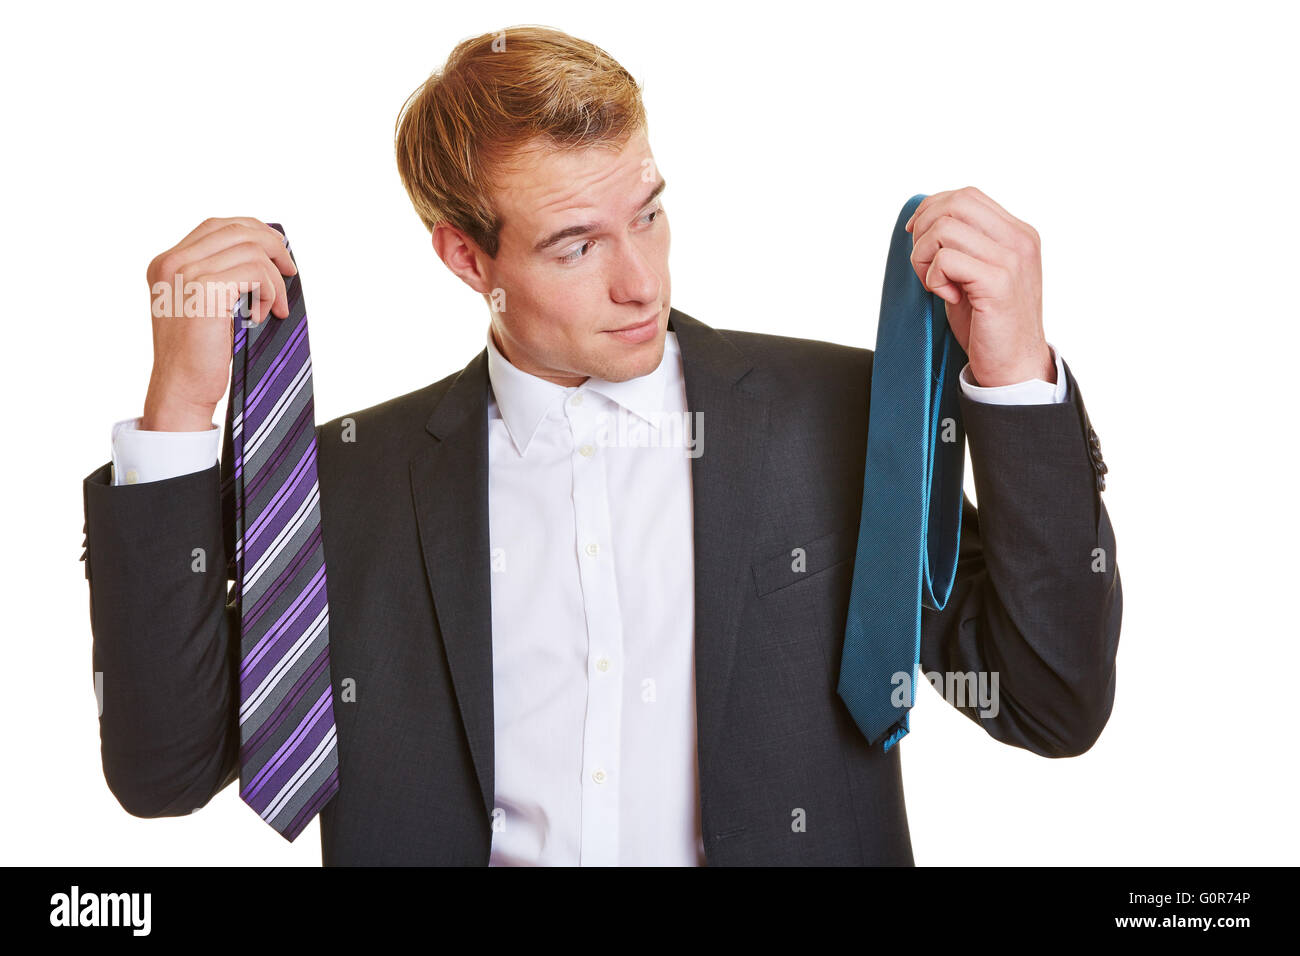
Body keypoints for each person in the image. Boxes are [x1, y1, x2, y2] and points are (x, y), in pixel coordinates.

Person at [81, 25, 1121, 865]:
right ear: (463, 254)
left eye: (650, 214)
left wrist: (1014, 377)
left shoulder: (837, 417)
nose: (640, 281)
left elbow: (1048, 700)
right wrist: (178, 412)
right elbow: (166, 772)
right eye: (576, 244)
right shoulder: (339, 479)